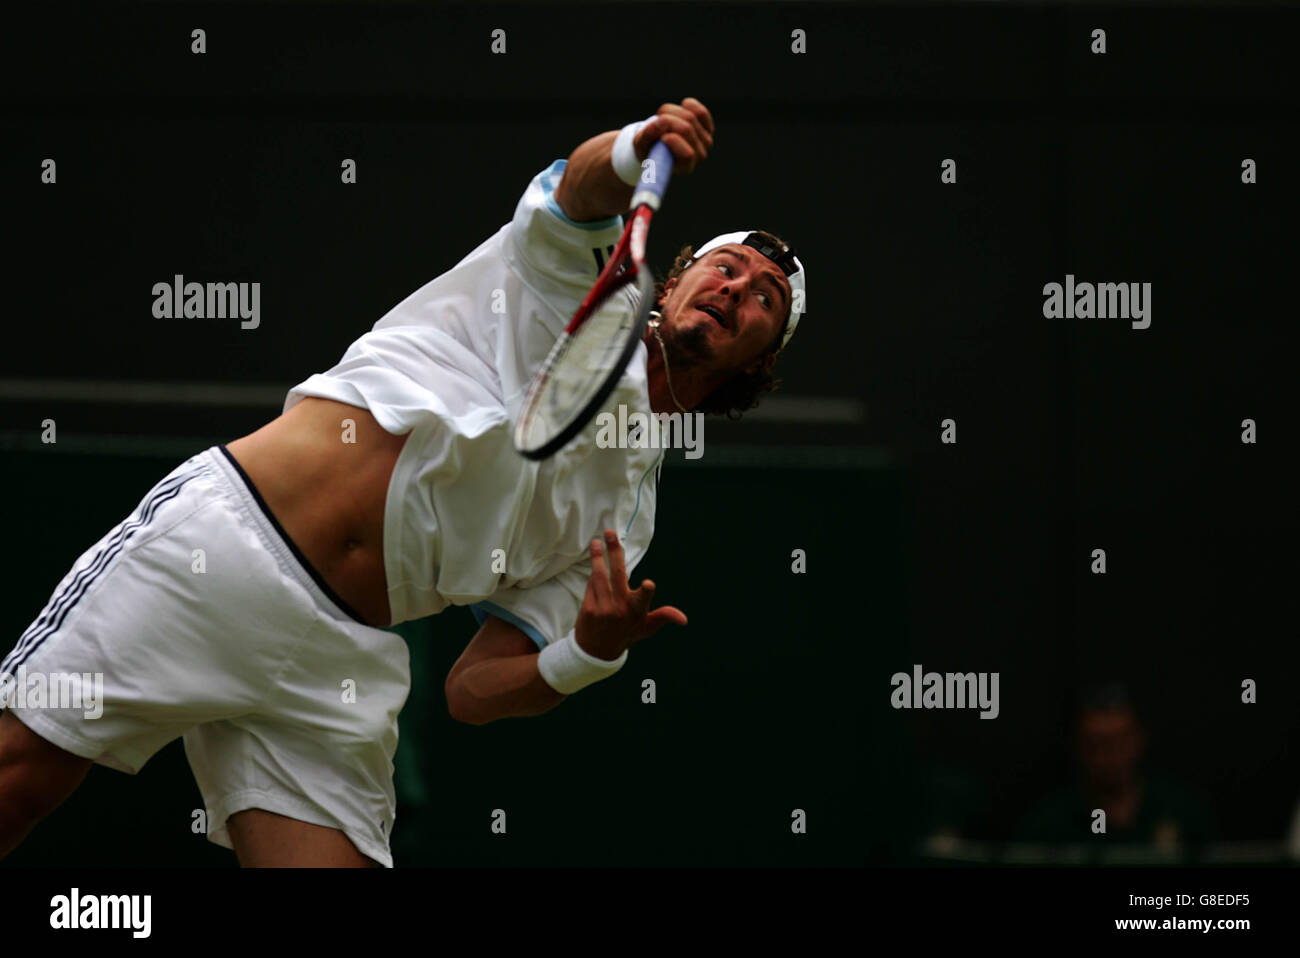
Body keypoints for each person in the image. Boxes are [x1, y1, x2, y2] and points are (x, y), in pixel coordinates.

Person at [0, 97, 807, 867]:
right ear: (671, 284)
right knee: (20, 780)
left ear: (762, 361)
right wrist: (638, 141)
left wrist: (587, 656)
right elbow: (581, 187)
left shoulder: (626, 525)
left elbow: (473, 691)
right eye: (723, 268)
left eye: (763, 296)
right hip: (223, 552)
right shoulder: (573, 285)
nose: (736, 288)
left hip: (338, 661)